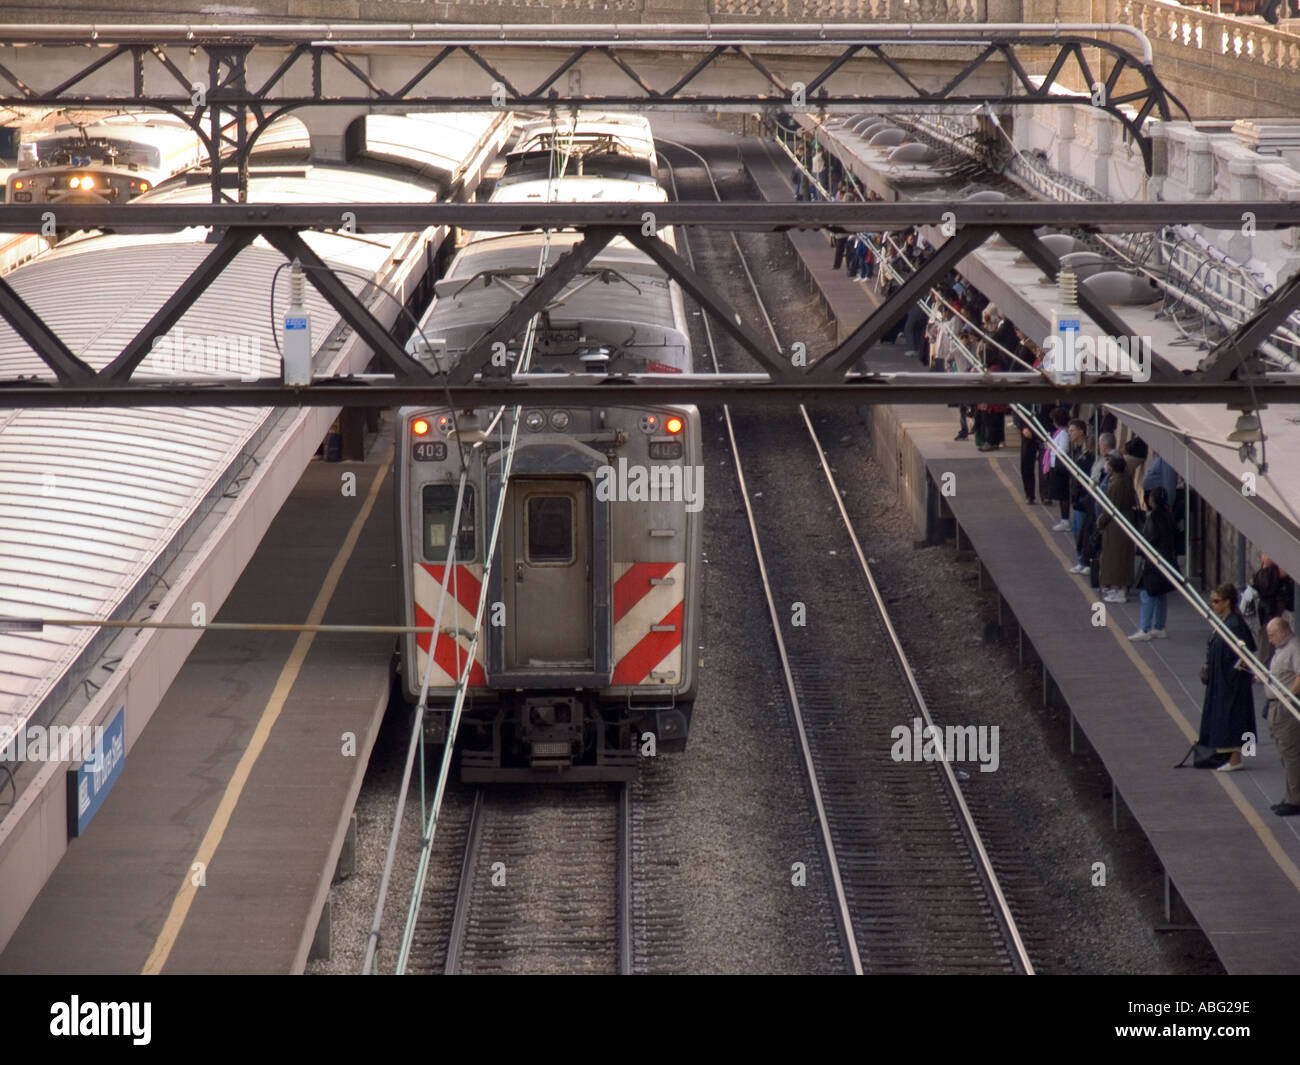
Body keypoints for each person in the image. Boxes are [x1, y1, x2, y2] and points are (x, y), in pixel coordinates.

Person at [1198, 583, 1258, 771]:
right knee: (1223, 717)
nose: (1213, 605)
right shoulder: (1224, 622)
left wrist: (1233, 676)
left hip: (1231, 682)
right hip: (1220, 679)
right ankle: (1224, 753)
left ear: (1228, 602)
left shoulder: (1236, 625)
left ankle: (1234, 758)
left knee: (1233, 717)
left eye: (1216, 601)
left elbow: (1246, 656)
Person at [1129, 486, 1178, 640]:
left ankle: (1144, 629)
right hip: (1167, 559)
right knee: (1160, 594)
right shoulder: (1168, 514)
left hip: (1154, 561)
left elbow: (1149, 538)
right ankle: (1159, 627)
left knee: (1147, 593)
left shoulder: (1154, 517)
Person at [1265, 619, 1300, 814]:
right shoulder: (1281, 648)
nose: (1270, 640)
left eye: (1272, 635)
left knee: (1291, 753)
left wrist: (1288, 696)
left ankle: (1295, 799)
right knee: (1283, 754)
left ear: (1284, 631)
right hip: (1275, 707)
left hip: (1286, 708)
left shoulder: (1294, 647)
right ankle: (1289, 795)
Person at [1096, 453, 1137, 603]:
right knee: (1124, 556)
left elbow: (1110, 508)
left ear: (1112, 468)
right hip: (1126, 520)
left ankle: (1120, 589)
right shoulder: (1127, 480)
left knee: (1116, 557)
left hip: (1116, 525)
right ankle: (1121, 587)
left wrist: (1100, 522)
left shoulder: (1115, 485)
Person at [1251, 554, 1295, 654]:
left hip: (1272, 608)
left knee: (1267, 645)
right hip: (1269, 609)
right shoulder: (1269, 570)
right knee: (1266, 646)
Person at [1045, 409, 1072, 529]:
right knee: (1060, 495)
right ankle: (1063, 519)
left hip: (1060, 468)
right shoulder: (1059, 432)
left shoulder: (1064, 434)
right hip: (1054, 466)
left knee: (1063, 494)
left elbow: (1063, 450)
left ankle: (1065, 520)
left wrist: (1051, 446)